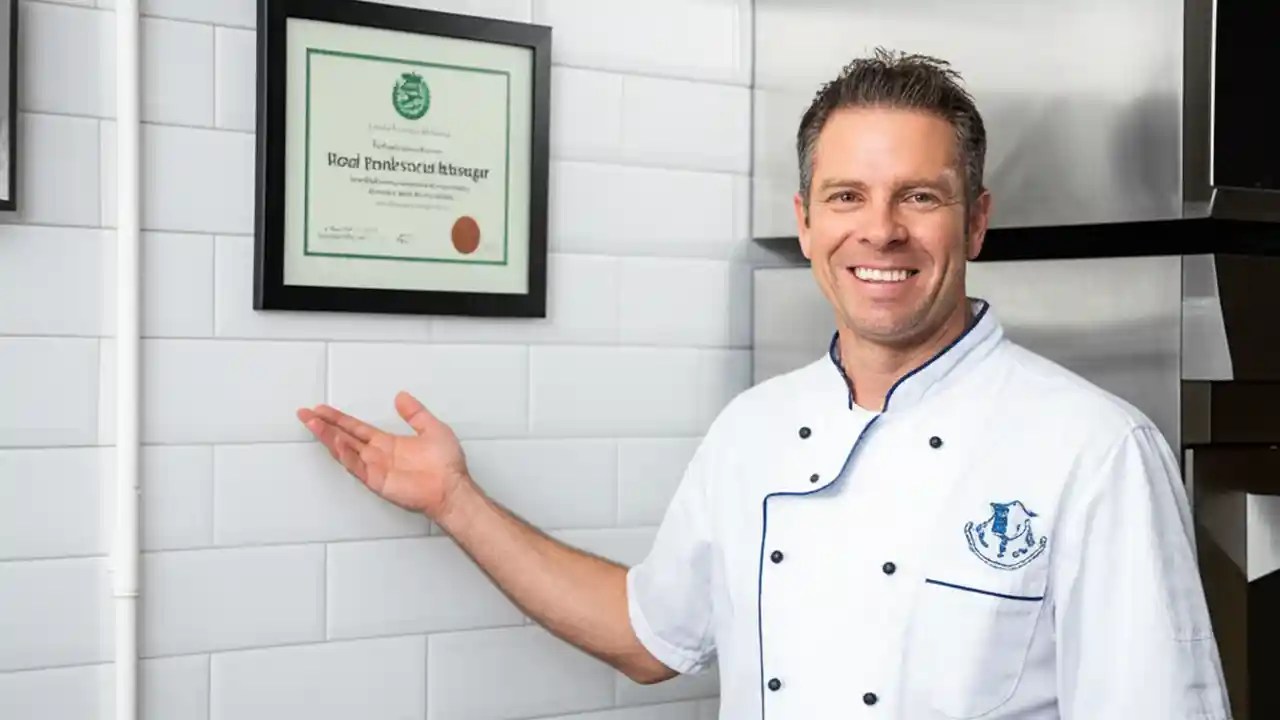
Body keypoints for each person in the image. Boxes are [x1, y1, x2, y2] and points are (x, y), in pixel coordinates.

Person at [297, 49, 1231, 719]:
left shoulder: (1094, 448)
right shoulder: (755, 428)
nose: (882, 231)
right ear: (807, 219)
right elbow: (646, 635)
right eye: (847, 197)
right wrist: (456, 502)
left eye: (920, 196)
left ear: (975, 221)